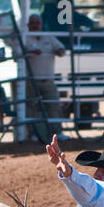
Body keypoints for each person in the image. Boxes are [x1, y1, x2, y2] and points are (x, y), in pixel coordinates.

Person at [11, 13, 66, 141]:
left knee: (54, 105)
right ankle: (33, 134)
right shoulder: (24, 38)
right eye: (33, 22)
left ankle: (57, 134)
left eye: (37, 23)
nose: (35, 25)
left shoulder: (48, 37)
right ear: (28, 25)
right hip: (30, 81)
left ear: (41, 25)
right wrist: (29, 53)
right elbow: (16, 55)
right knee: (31, 108)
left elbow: (61, 49)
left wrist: (59, 51)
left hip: (48, 79)